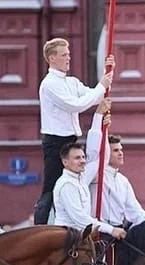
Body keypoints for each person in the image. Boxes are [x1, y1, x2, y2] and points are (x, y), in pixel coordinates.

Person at [34, 37, 113, 224]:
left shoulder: (71, 82)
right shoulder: (50, 84)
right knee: (52, 187)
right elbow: (75, 105)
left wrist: (108, 72)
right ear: (52, 58)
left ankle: (77, 219)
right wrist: (102, 84)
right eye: (63, 55)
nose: (68, 58)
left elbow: (94, 95)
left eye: (68, 54)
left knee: (78, 180)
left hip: (71, 139)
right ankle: (42, 225)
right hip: (55, 142)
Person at [52, 104, 125, 241]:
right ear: (65, 162)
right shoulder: (66, 184)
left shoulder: (82, 178)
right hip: (65, 242)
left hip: (80, 239)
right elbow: (80, 219)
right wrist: (111, 229)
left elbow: (101, 157)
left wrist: (100, 121)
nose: (82, 161)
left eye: (83, 157)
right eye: (77, 158)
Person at [84, 110, 145, 229]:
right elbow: (93, 150)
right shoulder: (96, 173)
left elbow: (134, 211)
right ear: (106, 152)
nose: (121, 153)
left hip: (117, 232)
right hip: (98, 231)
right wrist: (99, 123)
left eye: (121, 150)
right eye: (115, 150)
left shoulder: (123, 181)